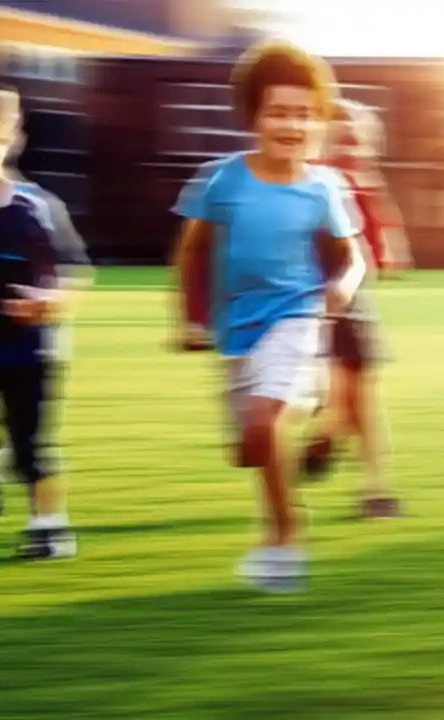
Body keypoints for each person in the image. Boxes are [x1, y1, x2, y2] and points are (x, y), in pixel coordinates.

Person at [173, 41, 366, 591]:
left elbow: (352, 257)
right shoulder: (225, 182)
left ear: (320, 122)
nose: (292, 124)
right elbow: (193, 251)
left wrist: (342, 287)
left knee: (265, 420)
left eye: (304, 114)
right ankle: (313, 410)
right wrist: (189, 319)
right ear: (254, 116)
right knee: (250, 447)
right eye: (279, 111)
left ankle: (284, 537)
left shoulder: (323, 188)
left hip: (298, 315)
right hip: (237, 329)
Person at [0, 85, 78, 559]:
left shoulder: (34, 208)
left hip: (28, 349)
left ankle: (50, 529)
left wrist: (44, 301)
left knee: (30, 447)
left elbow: (70, 278)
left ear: (9, 138)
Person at [299, 98, 401, 518]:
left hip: (350, 297)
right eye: (350, 136)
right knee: (348, 398)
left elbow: (375, 238)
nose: (356, 144)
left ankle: (371, 485)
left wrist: (383, 252)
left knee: (359, 398)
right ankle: (333, 441)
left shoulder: (352, 180)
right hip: (327, 297)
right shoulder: (320, 180)